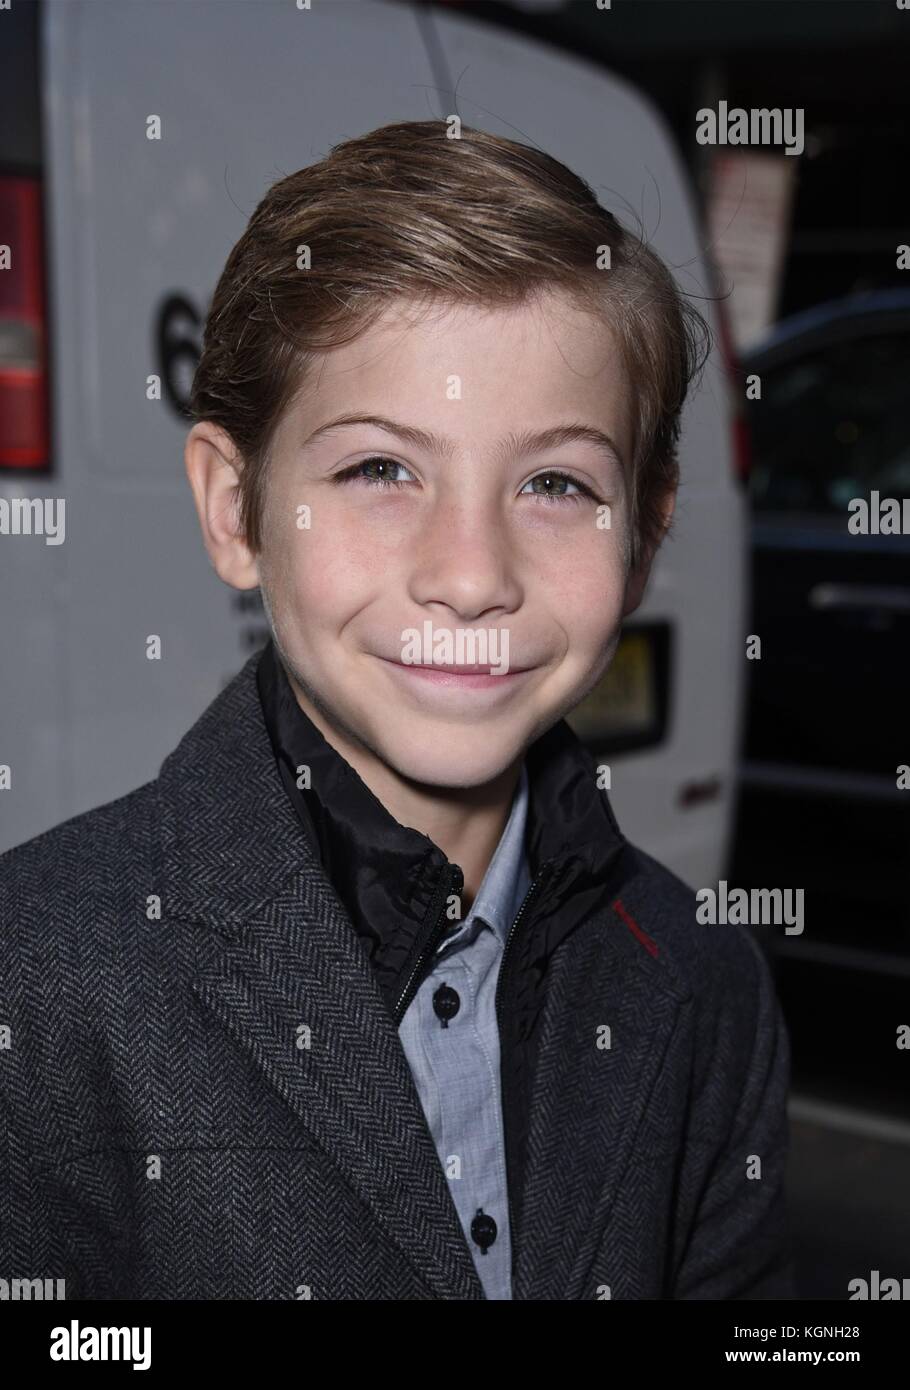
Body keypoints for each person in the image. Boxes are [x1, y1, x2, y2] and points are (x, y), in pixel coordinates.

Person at [0, 120, 796, 1300]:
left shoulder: (705, 984)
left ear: (644, 532)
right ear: (234, 509)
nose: (469, 574)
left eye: (555, 483)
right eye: (381, 469)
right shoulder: (40, 980)